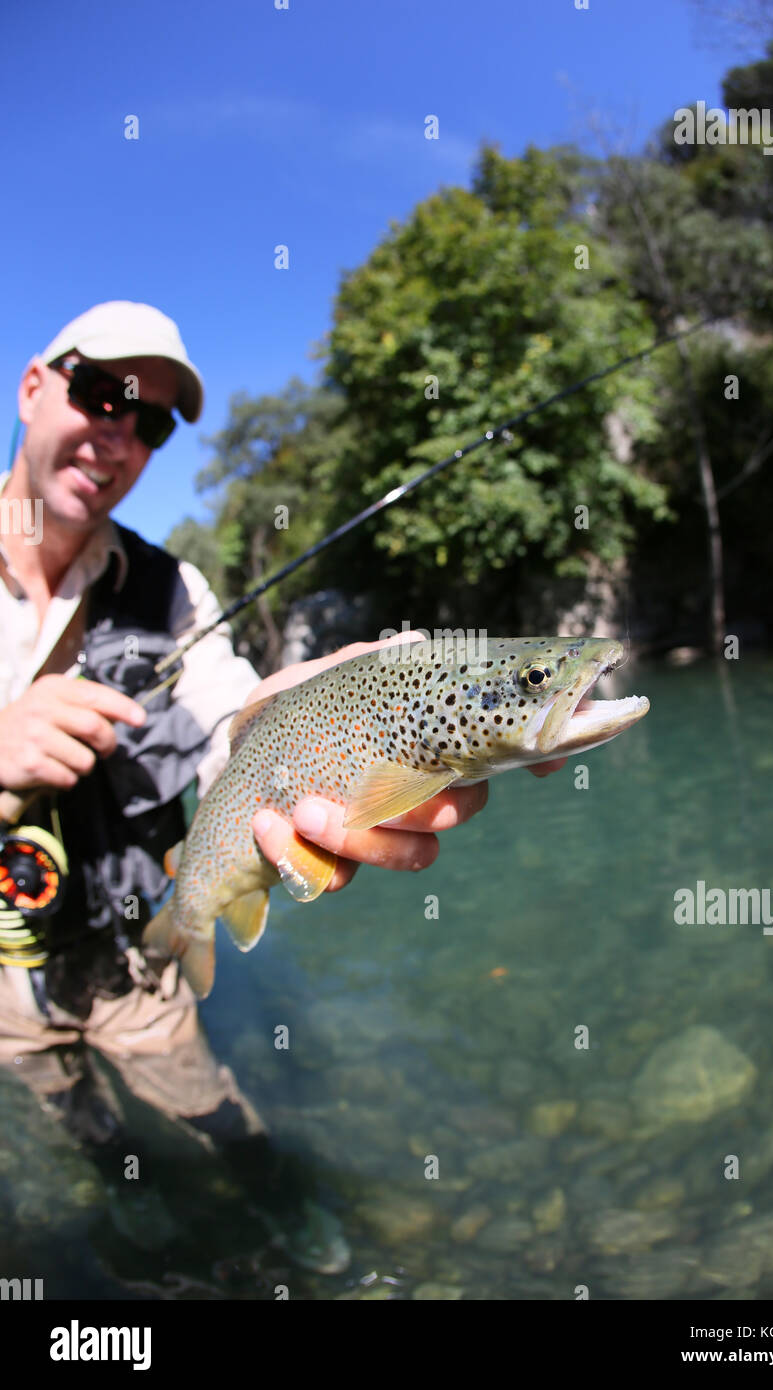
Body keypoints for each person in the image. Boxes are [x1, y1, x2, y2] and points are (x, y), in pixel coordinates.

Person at [0, 301, 566, 1279]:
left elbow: (231, 721)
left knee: (213, 1110)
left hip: (142, 950)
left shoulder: (172, 591)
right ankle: (126, 1186)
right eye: (105, 394)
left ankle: (281, 1210)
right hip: (4, 968)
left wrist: (299, 726)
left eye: (155, 421)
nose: (123, 432)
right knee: (72, 1110)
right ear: (33, 385)